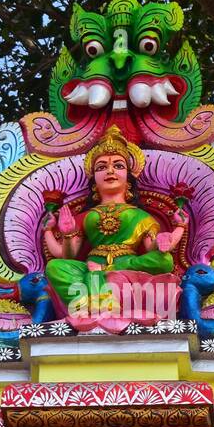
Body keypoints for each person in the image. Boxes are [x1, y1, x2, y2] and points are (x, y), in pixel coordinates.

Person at [42, 126, 186, 327]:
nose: (110, 171)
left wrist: (175, 232)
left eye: (118, 166)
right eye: (101, 167)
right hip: (90, 264)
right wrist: (57, 232)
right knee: (55, 267)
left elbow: (155, 250)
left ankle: (101, 283)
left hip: (126, 262)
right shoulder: (85, 216)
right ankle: (86, 304)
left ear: (128, 178)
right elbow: (65, 255)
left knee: (164, 261)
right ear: (94, 182)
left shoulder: (140, 215)